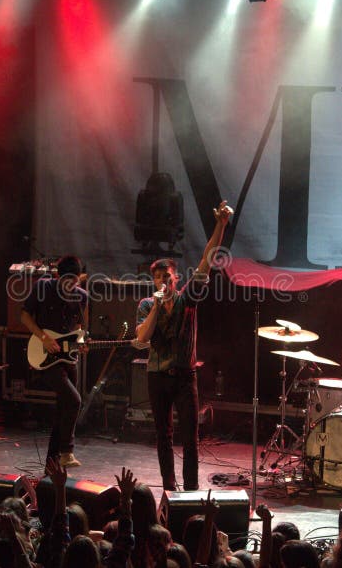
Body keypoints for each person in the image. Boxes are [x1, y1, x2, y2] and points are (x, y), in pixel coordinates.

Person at [136, 200, 233, 492]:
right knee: (163, 435)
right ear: (153, 281)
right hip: (157, 377)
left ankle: (190, 490)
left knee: (190, 438)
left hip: (184, 378)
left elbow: (207, 257)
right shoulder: (145, 304)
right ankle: (169, 484)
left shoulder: (188, 298)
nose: (164, 281)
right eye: (159, 278)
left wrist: (221, 225)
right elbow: (142, 338)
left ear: (176, 278)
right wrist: (156, 304)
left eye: (168, 277)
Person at [20, 255, 88, 468]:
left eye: (74, 281)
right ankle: (67, 451)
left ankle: (52, 462)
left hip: (68, 356)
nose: (70, 285)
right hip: (45, 354)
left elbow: (79, 328)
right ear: (58, 275)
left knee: (64, 408)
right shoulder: (43, 287)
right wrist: (43, 337)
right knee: (74, 400)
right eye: (66, 280)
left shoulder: (82, 296)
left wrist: (83, 341)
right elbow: (24, 316)